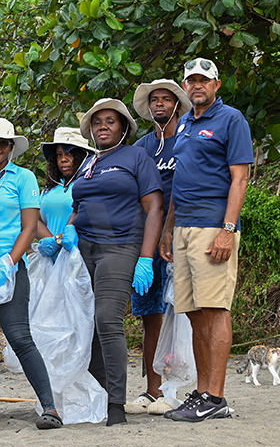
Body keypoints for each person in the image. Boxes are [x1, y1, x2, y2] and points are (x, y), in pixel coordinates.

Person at [159, 58, 253, 422]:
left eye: (204, 80)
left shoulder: (231, 120)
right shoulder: (183, 123)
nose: (196, 86)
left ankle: (216, 396)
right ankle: (202, 393)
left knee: (215, 310)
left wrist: (228, 230)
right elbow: (179, 181)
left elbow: (240, 179)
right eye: (191, 80)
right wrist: (168, 229)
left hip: (214, 227)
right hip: (183, 228)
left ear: (216, 85)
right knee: (195, 313)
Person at [0, 118, 64, 431]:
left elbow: (29, 227)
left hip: (9, 268)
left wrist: (8, 262)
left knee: (19, 336)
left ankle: (50, 408)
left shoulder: (22, 178)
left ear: (10, 148)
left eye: (2, 143)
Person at [68, 99, 163, 426]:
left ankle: (116, 408)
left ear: (123, 127)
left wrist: (146, 257)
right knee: (87, 324)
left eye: (110, 121)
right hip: (83, 251)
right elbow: (78, 205)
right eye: (97, 122)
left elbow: (154, 208)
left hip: (120, 247)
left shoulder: (136, 157)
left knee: (107, 319)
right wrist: (67, 230)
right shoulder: (88, 163)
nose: (103, 126)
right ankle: (100, 397)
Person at [125, 79, 192, 415]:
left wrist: (169, 230)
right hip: (146, 239)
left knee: (178, 314)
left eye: (166, 99)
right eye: (155, 100)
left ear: (178, 105)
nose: (160, 105)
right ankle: (151, 390)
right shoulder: (142, 147)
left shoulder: (187, 139)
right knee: (150, 314)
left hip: (180, 235)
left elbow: (181, 191)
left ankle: (174, 389)